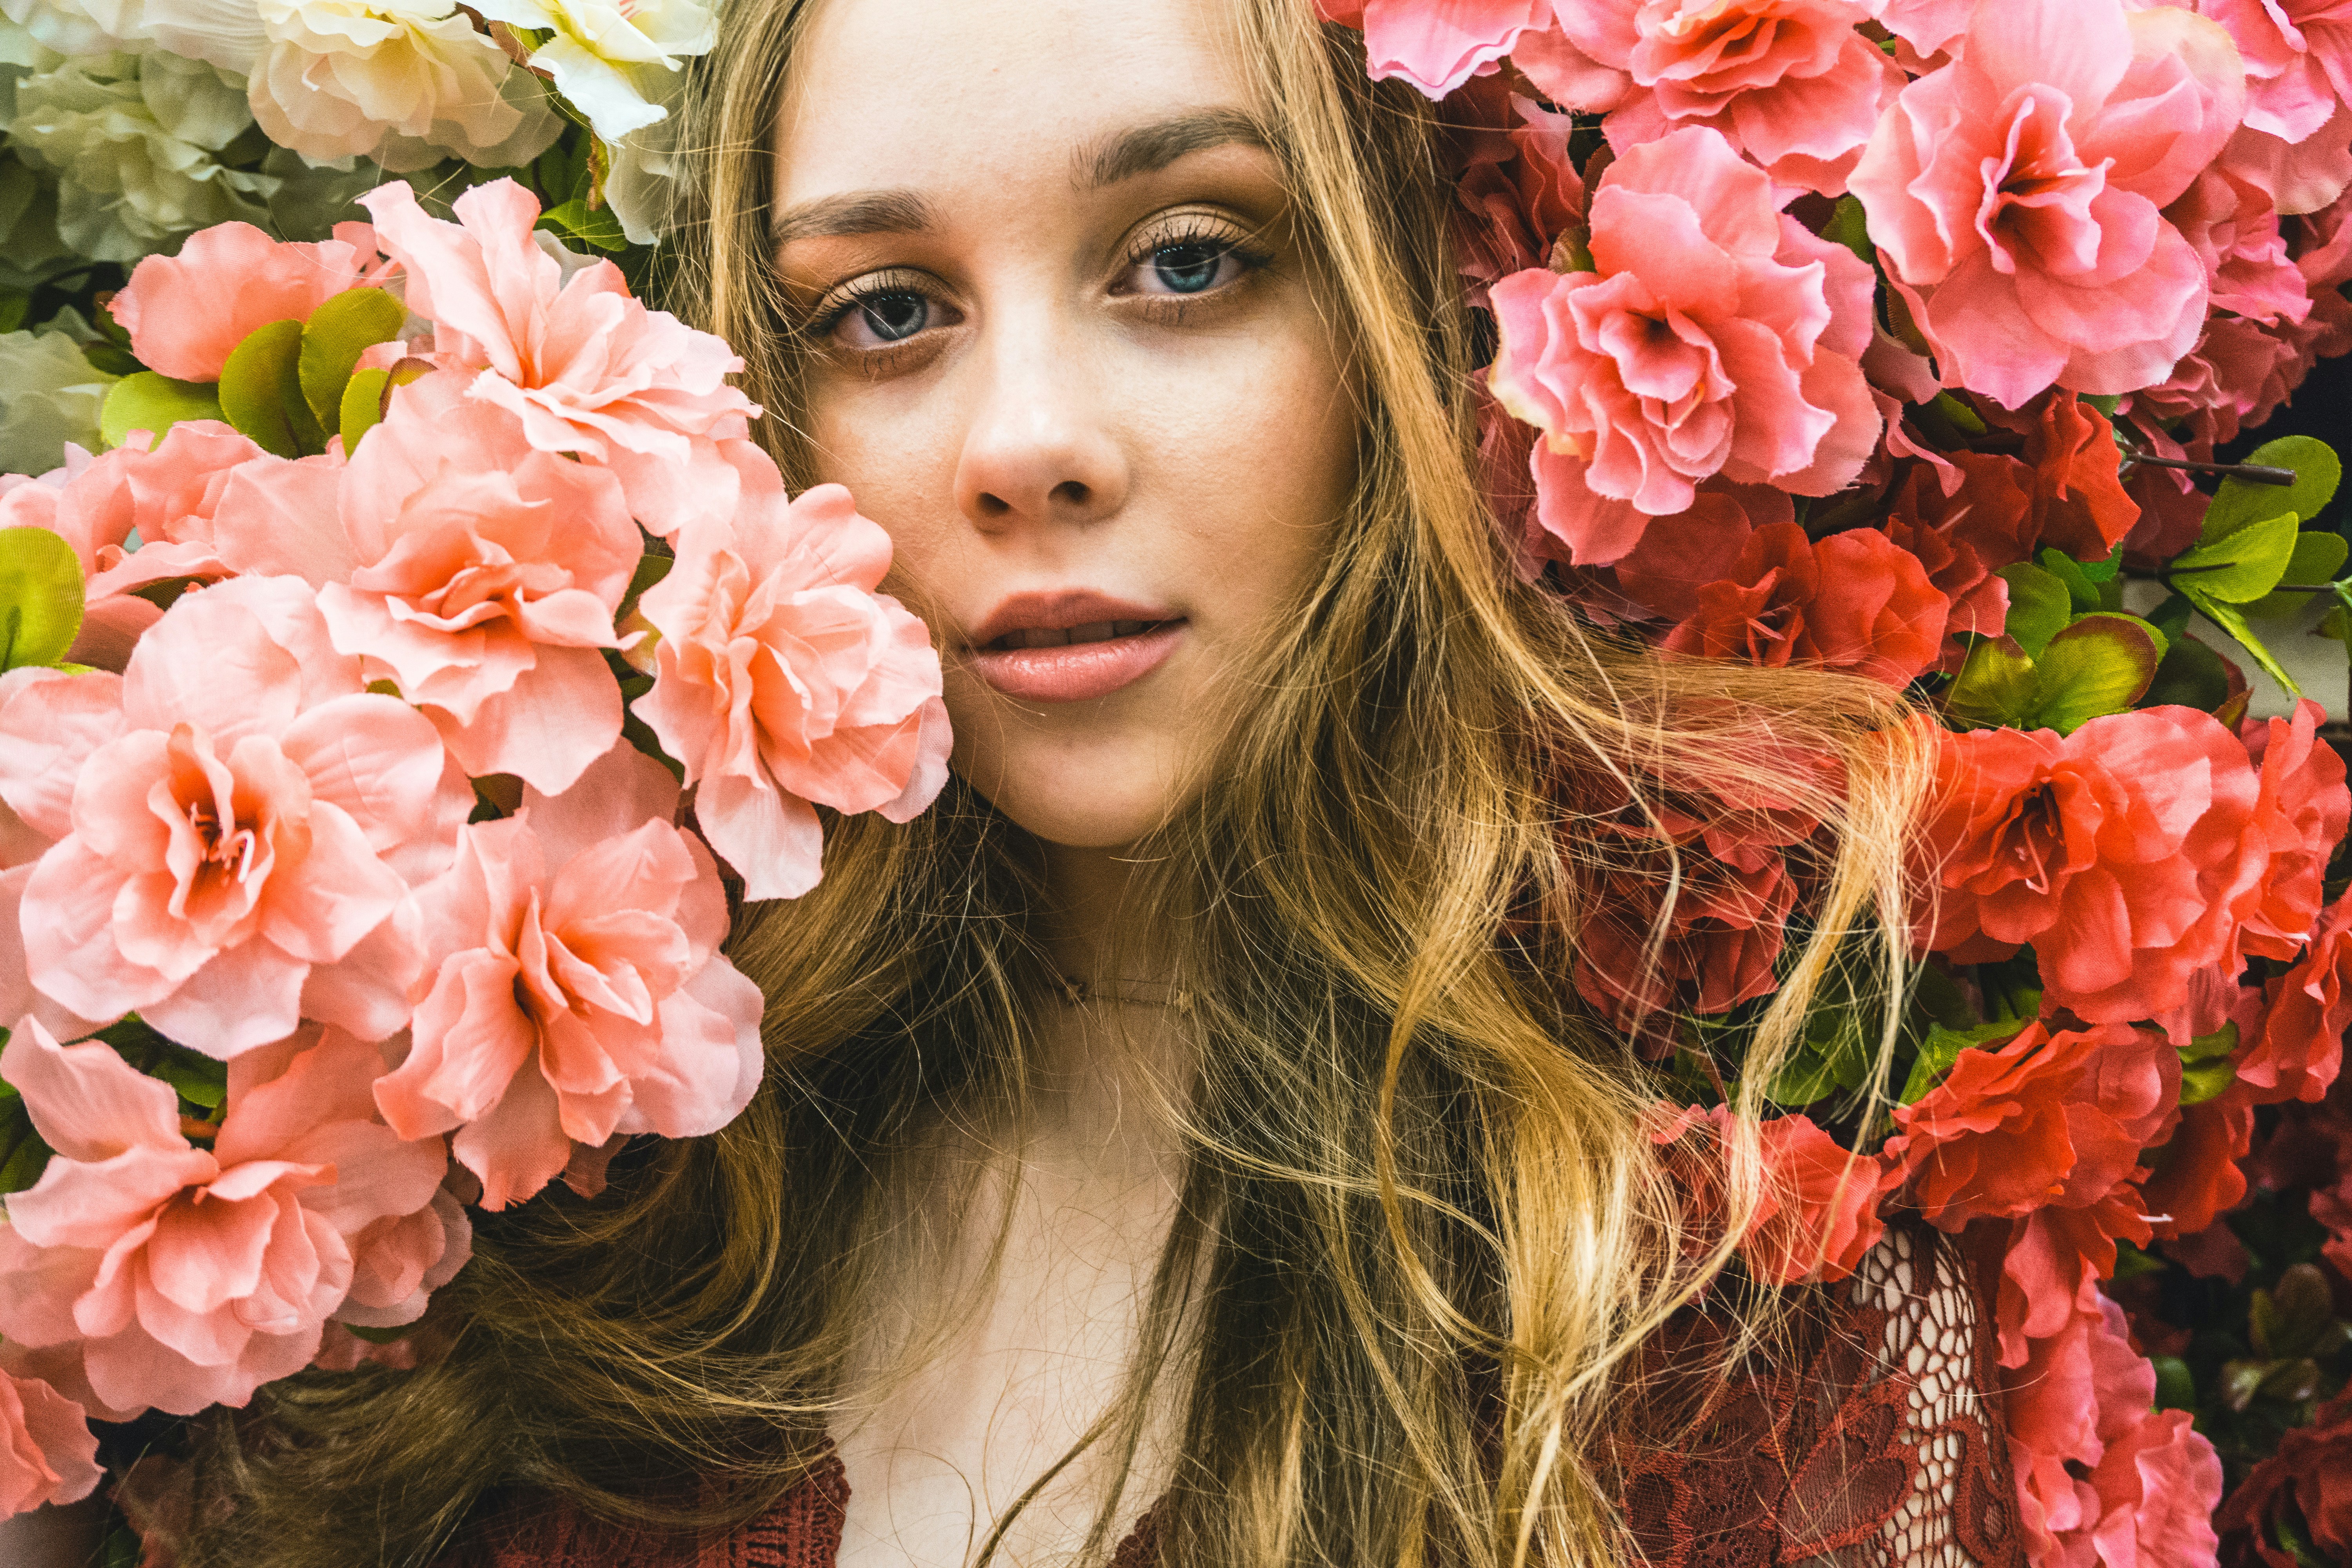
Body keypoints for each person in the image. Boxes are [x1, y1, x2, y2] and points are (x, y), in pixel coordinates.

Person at [49, 1, 2020, 1564]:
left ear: (1408, 332)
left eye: (1186, 261)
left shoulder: (1752, 1322)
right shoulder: (509, 1202)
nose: (1027, 445)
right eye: (886, 311)